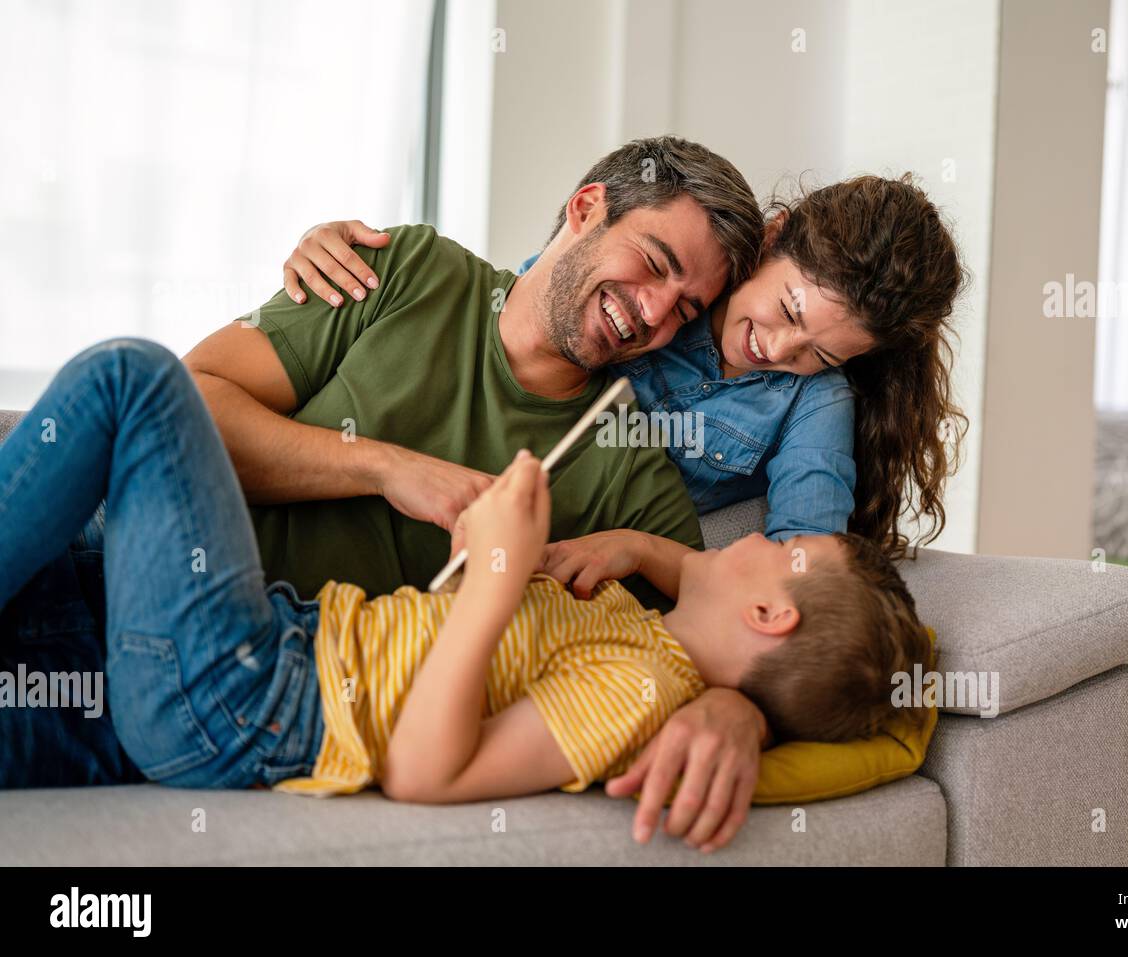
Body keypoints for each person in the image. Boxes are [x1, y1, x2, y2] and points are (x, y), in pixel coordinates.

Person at [0, 136, 777, 851]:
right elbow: (188, 411)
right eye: (653, 261)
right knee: (129, 380)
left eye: (683, 308)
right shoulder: (410, 270)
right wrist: (386, 467)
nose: (651, 313)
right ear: (586, 207)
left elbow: (723, 636)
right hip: (88, 550)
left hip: (199, 690)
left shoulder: (628, 465)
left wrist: (740, 713)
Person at [0, 339, 932, 854]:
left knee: (137, 382)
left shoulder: (643, 685)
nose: (760, 534)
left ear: (772, 614)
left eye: (786, 546)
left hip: (252, 696)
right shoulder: (637, 621)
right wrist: (625, 546)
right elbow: (690, 576)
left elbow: (424, 773)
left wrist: (492, 580)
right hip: (245, 656)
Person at [282, 174, 967, 602]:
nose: (779, 349)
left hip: (576, 555)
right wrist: (339, 246)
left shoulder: (816, 402)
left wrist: (642, 550)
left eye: (819, 351)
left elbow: (800, 570)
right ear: (772, 237)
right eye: (789, 311)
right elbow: (527, 306)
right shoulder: (672, 273)